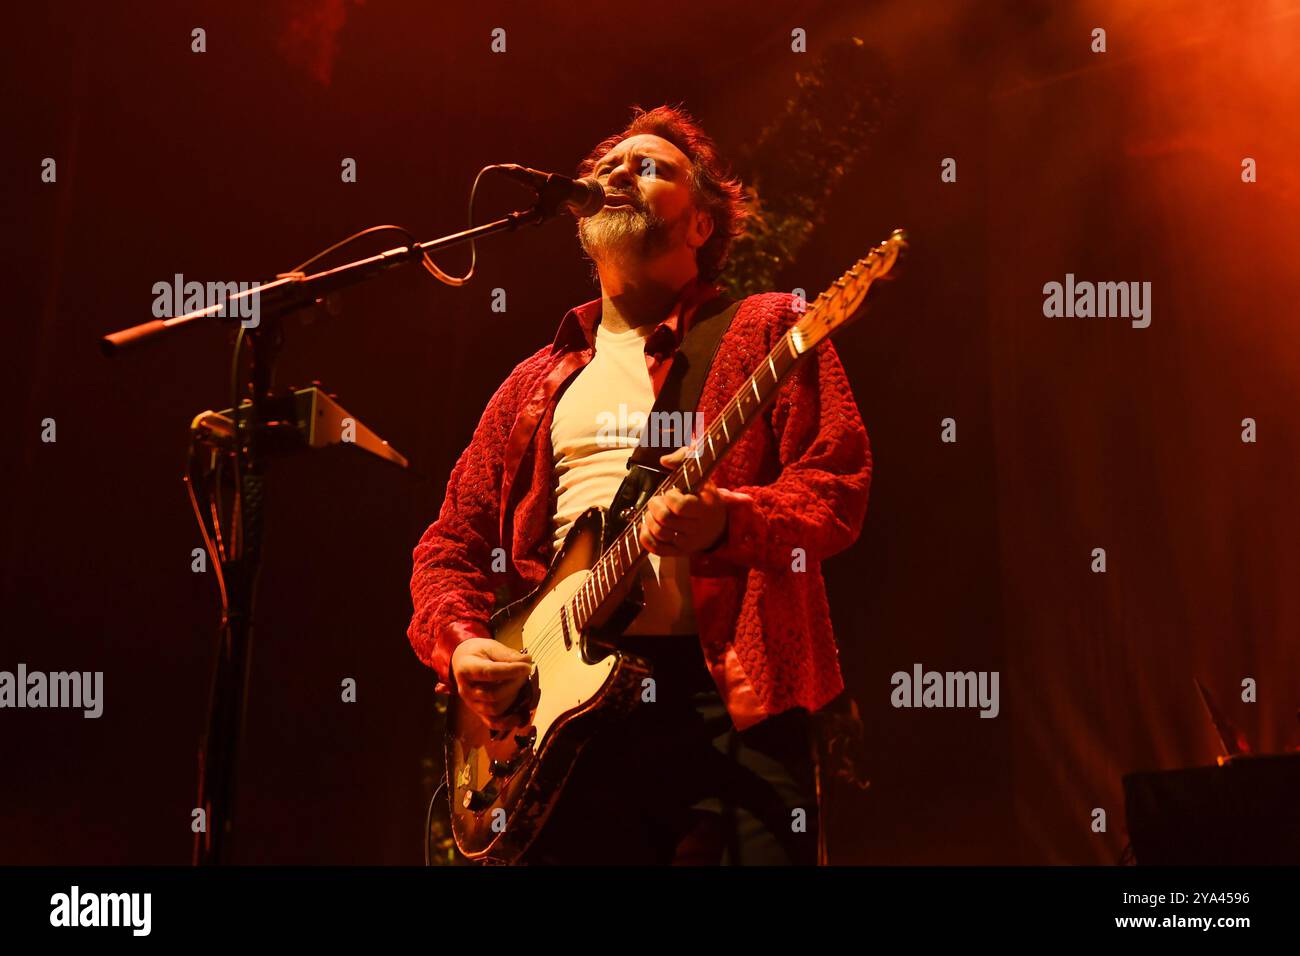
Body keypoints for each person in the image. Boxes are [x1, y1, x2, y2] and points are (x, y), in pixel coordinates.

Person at [408, 105, 872, 864]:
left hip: (727, 698)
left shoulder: (766, 331)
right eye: (610, 166)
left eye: (653, 167)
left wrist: (730, 519)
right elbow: (450, 544)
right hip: (559, 713)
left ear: (701, 225)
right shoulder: (533, 383)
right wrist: (460, 644)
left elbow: (836, 484)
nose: (621, 171)